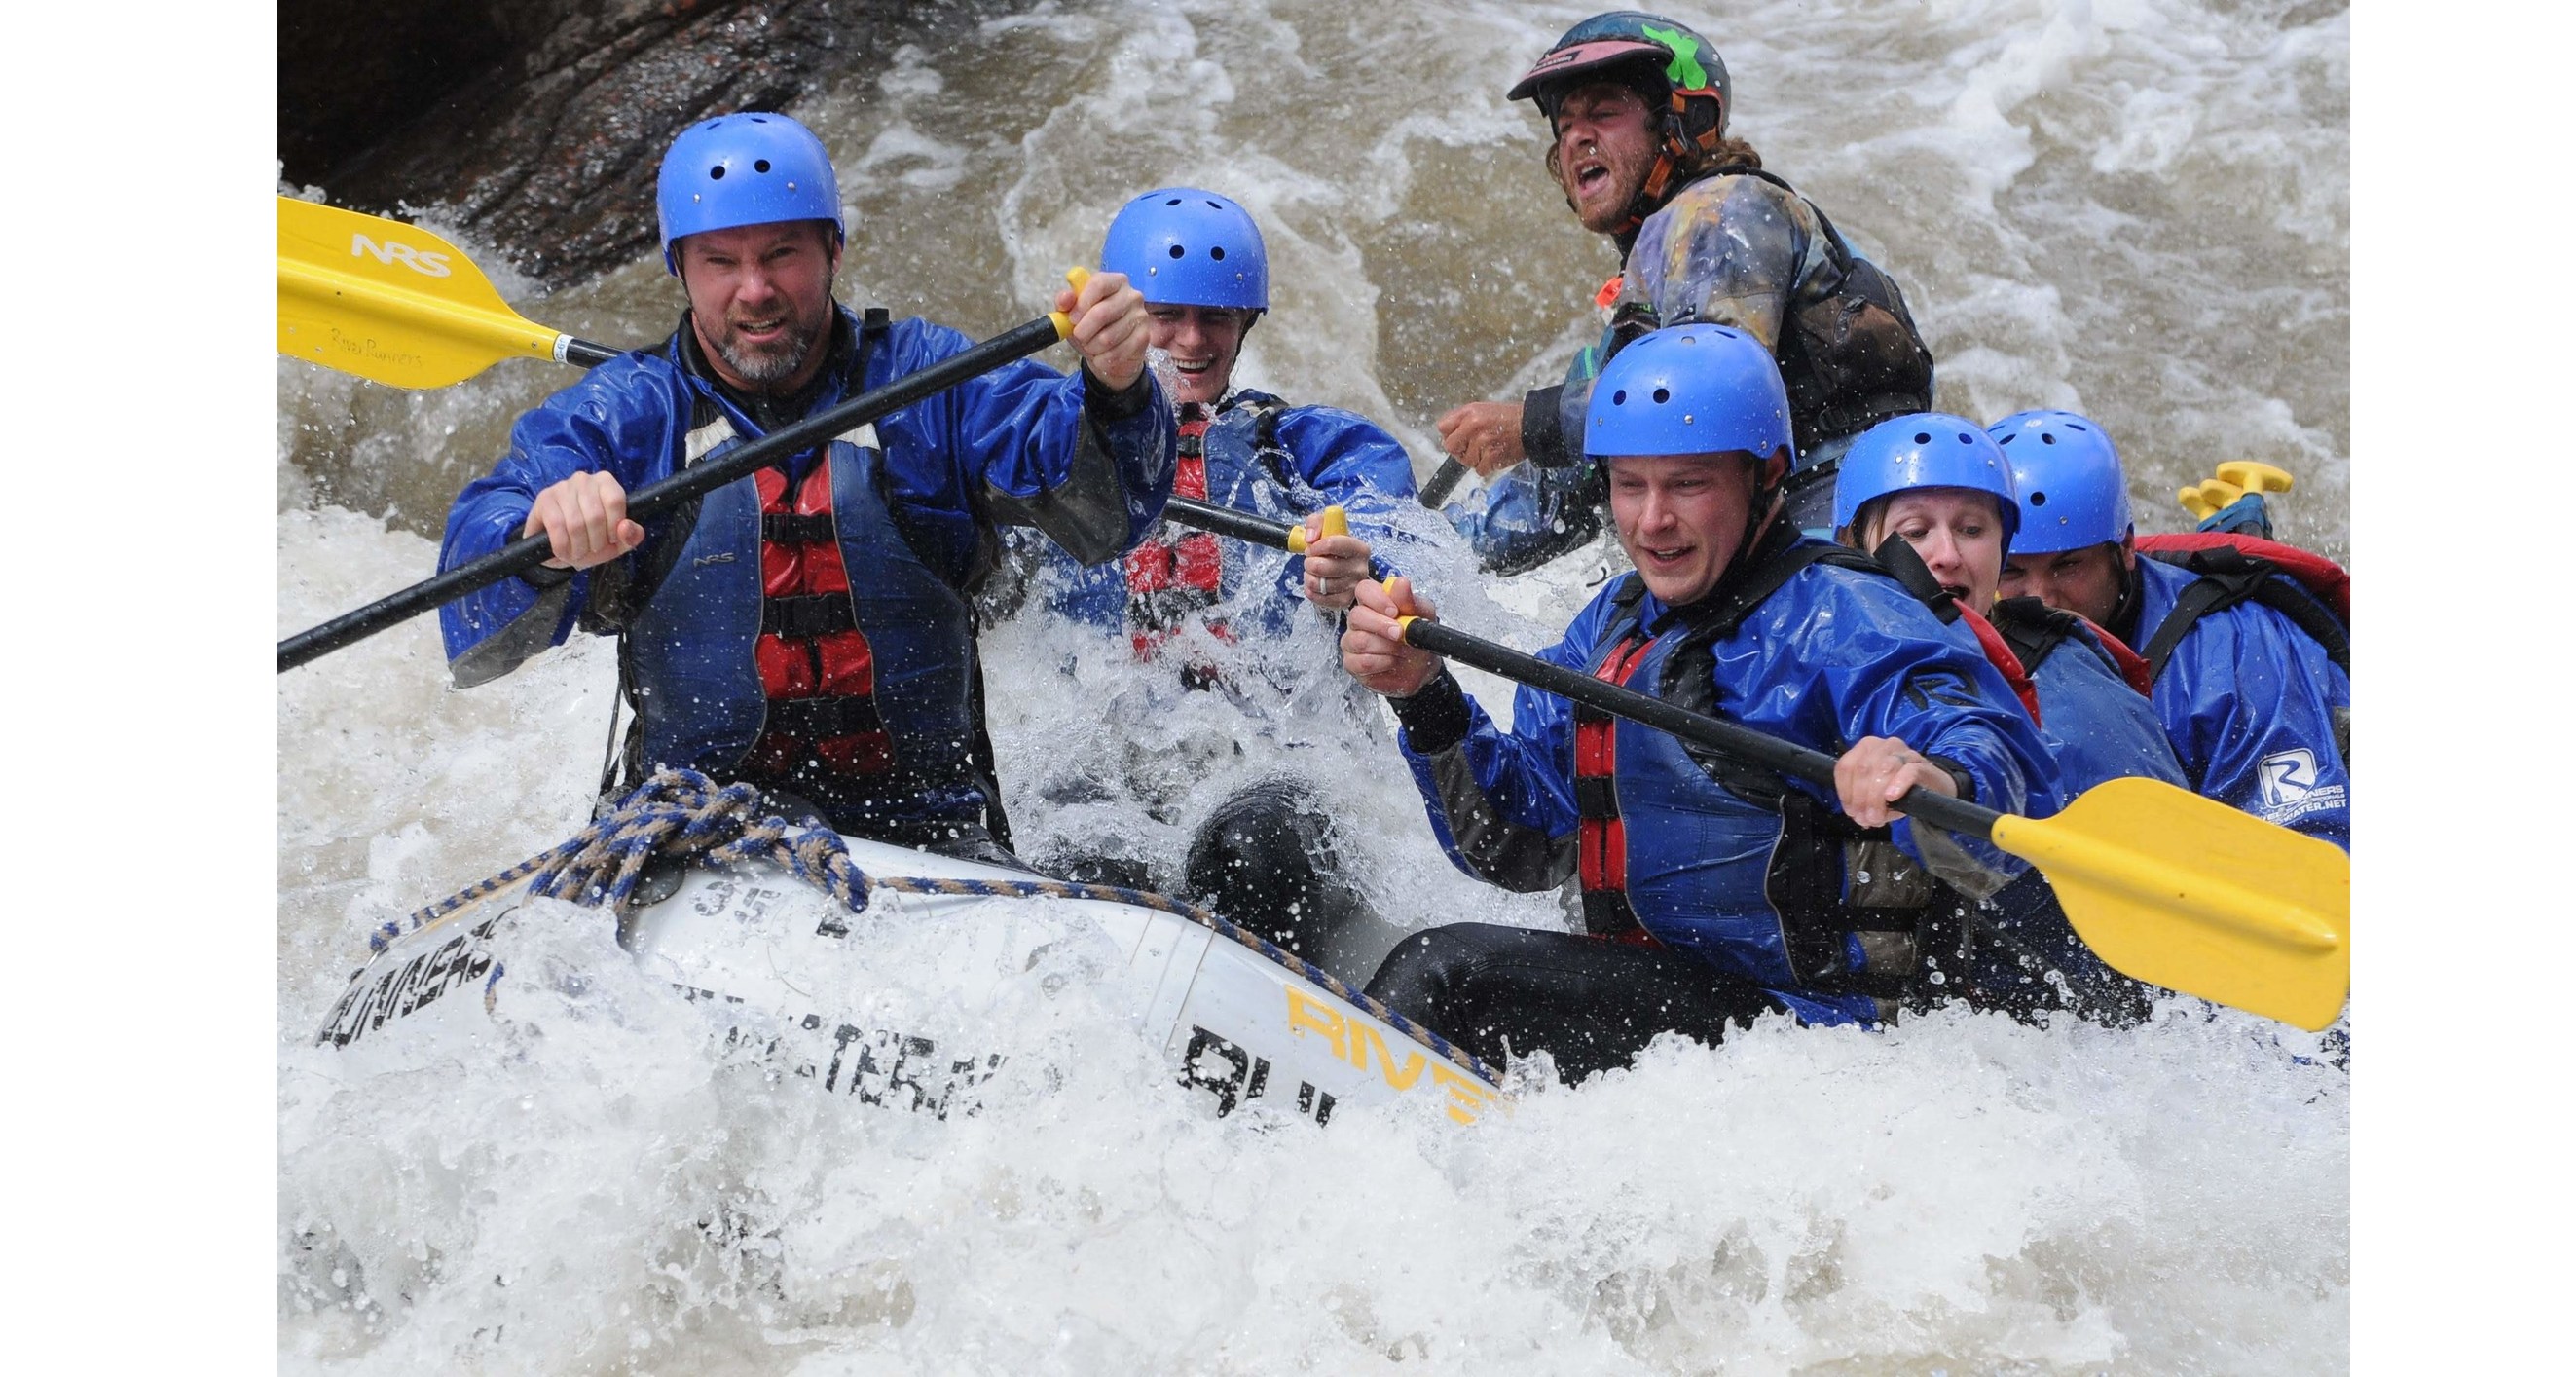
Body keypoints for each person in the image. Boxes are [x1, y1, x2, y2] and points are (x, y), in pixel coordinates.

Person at [437, 112, 1173, 865]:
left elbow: (1108, 513)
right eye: (720, 262)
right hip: (692, 838)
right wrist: (536, 539)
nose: (754, 291)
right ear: (679, 269)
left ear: (834, 251)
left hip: (926, 837)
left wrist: (1114, 389)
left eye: (782, 254)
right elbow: (474, 617)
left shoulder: (931, 381)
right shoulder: (627, 413)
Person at [1337, 324, 2057, 1084]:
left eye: (1688, 484)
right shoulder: (1611, 623)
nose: (1652, 521)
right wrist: (1425, 693)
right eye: (1629, 485)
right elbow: (1517, 845)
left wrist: (1925, 774)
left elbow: (1995, 763)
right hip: (1666, 1013)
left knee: (1446, 973)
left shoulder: (1844, 615)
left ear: (1766, 475)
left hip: (1817, 1042)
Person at [1012, 187, 1436, 980]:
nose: (1191, 340)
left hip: (1281, 769)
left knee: (1253, 849)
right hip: (1113, 755)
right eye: (1166, 316)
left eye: (1217, 318)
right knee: (1059, 849)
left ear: (1247, 326)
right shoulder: (1044, 446)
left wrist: (1361, 568)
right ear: (1120, 320)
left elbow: (1407, 542)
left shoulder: (1307, 449)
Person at [1440, 10, 1936, 574]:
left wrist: (1527, 425)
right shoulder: (1647, 297)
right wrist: (1416, 551)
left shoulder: (1724, 210)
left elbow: (1702, 394)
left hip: (1847, 545)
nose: (1578, 137)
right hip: (1781, 553)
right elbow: (1556, 498)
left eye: (1604, 112)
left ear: (1678, 125)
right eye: (1565, 125)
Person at [1831, 413, 2188, 1021]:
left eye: (1972, 530)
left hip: (2056, 1028)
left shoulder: (2068, 692)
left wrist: (1945, 783)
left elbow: (2160, 939)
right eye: (1916, 532)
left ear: (2000, 551)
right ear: (1851, 547)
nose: (1945, 556)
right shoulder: (1805, 643)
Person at [1989, 410, 2350, 850]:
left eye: (2067, 566)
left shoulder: (2237, 658)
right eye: (2012, 571)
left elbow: (2316, 853)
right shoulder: (1969, 617)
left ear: (2124, 549)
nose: (2041, 597)